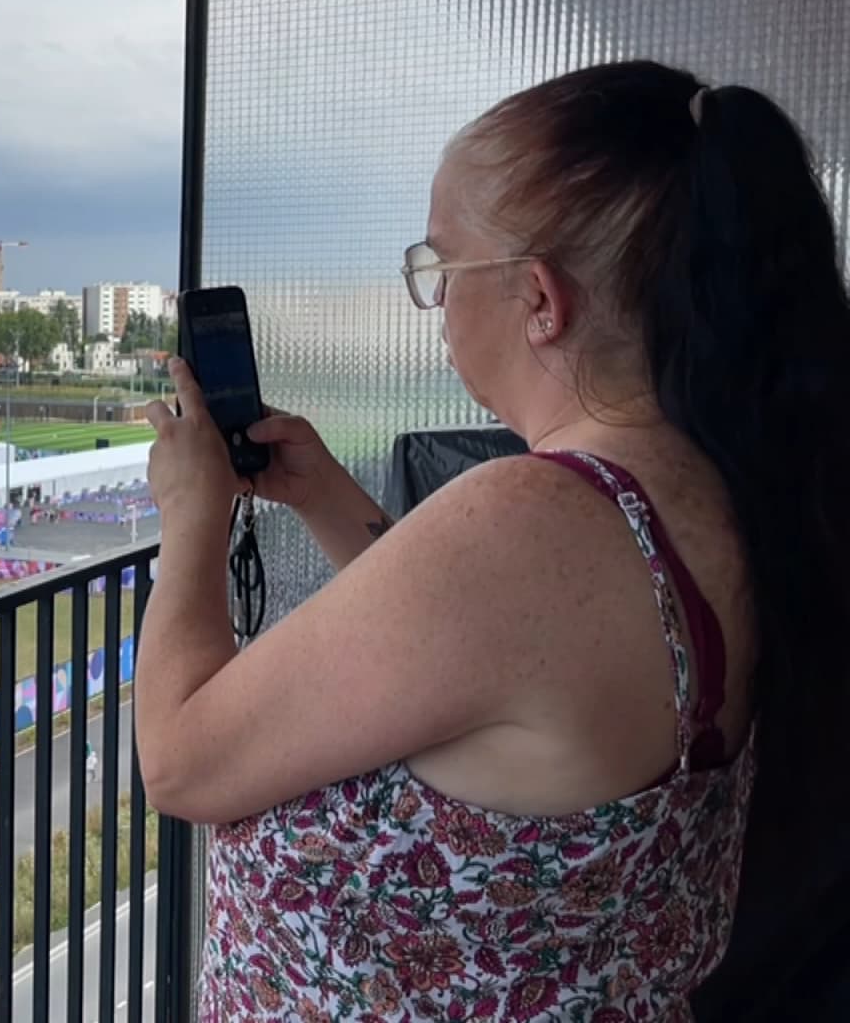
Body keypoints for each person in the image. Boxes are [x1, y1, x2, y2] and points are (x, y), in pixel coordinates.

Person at [134, 62, 848, 1017]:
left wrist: (189, 516)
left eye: (437, 268)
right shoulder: (706, 490)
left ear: (541, 299)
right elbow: (495, 673)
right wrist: (330, 502)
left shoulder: (533, 518)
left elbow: (181, 758)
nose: (431, 307)